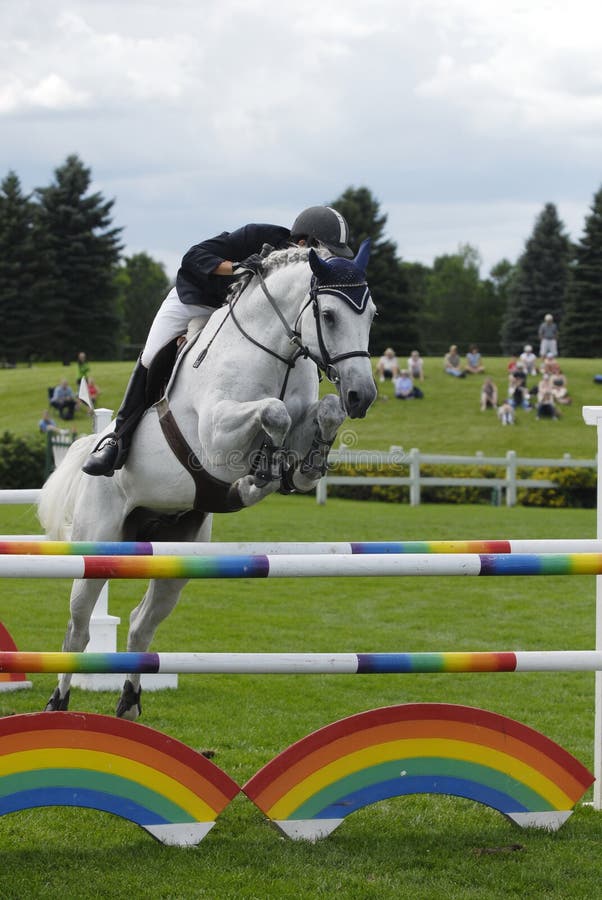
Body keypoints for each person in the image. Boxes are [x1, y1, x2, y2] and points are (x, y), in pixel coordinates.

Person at [82, 205, 356, 476]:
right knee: (152, 354)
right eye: (327, 251)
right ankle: (118, 440)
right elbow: (193, 257)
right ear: (303, 242)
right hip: (194, 301)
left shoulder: (304, 279)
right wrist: (235, 266)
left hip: (232, 314)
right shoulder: (257, 236)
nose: (330, 260)